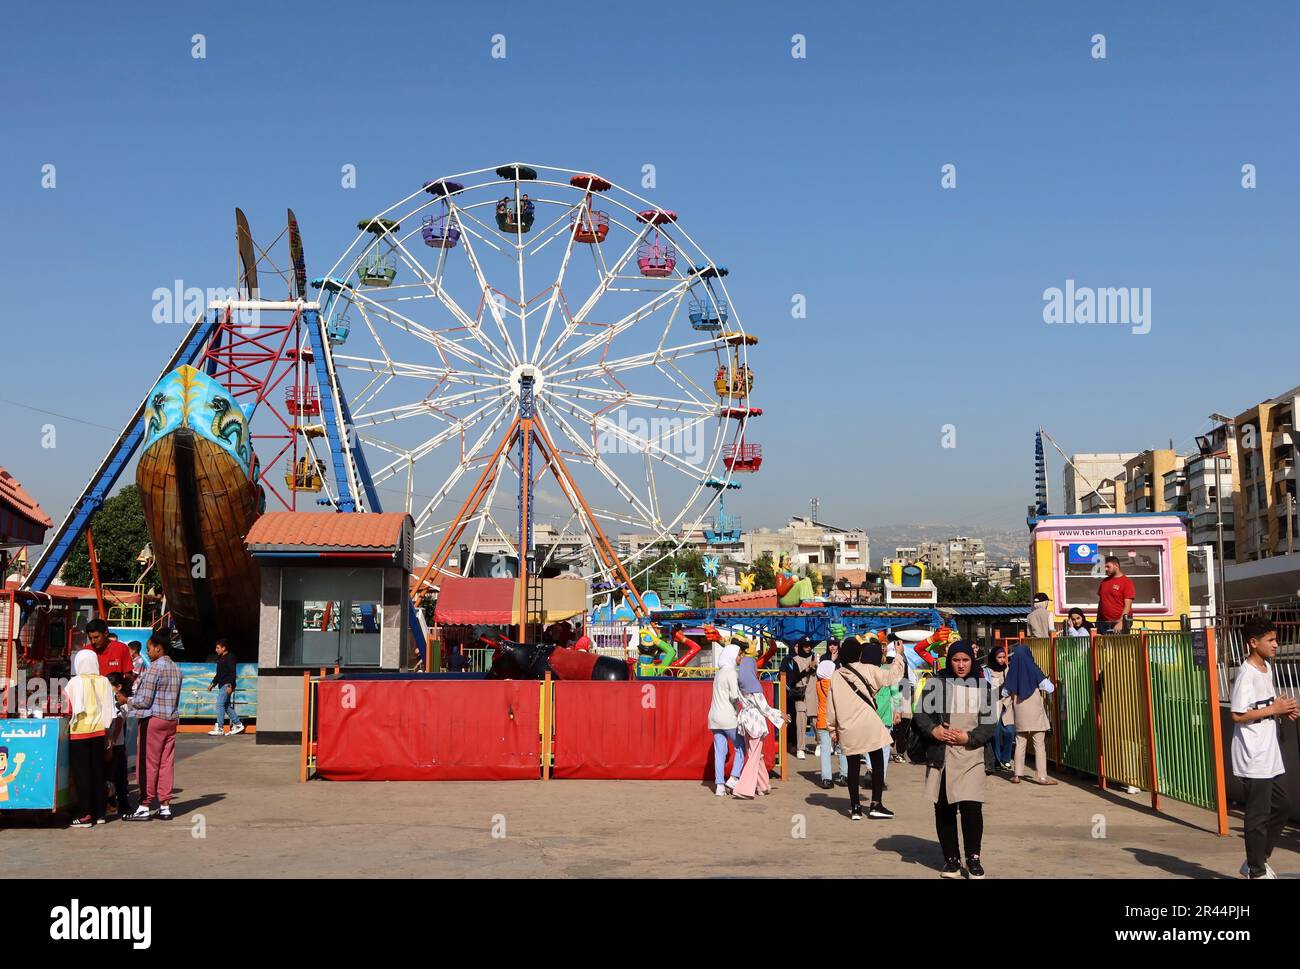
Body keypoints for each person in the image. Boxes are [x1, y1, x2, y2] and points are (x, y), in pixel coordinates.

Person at [913, 640, 996, 878]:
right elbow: (921, 714)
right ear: (949, 661)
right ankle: (951, 859)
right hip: (942, 756)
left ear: (973, 660)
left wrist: (969, 737)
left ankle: (973, 858)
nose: (960, 665)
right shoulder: (936, 684)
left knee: (971, 807)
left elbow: (989, 724)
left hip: (972, 756)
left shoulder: (984, 688)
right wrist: (935, 730)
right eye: (956, 660)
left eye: (965, 660)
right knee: (944, 808)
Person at [1230, 617, 1298, 879]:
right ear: (1253, 643)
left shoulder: (1267, 668)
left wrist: (1282, 711)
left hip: (1270, 753)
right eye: (1270, 640)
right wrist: (1274, 710)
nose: (1276, 644)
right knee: (1257, 816)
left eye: (1276, 639)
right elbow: (1237, 715)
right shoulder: (1246, 674)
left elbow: (1265, 705)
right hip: (1253, 755)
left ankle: (1256, 859)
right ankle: (1256, 871)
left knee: (1282, 805)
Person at [826, 637, 904, 820]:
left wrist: (832, 729)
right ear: (859, 654)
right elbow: (892, 676)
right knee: (877, 763)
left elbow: (831, 707)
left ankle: (855, 808)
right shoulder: (868, 669)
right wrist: (898, 655)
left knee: (853, 767)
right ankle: (876, 804)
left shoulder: (836, 676)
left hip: (847, 727)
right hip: (869, 724)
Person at [124, 632, 182, 821]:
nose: (147, 652)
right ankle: (165, 805)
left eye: (149, 648)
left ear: (158, 648)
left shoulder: (155, 668)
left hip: (153, 720)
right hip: (171, 719)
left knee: (148, 763)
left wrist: (127, 701)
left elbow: (145, 700)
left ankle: (144, 805)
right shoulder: (175, 667)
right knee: (166, 763)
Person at [64, 648, 115, 827]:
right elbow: (110, 709)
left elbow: (67, 708)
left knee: (81, 775)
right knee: (98, 772)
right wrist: (108, 732)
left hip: (79, 733)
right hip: (99, 732)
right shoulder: (104, 682)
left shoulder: (73, 683)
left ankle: (85, 814)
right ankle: (99, 813)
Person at [731, 644, 786, 799]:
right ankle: (744, 788)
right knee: (755, 756)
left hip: (745, 721)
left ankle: (762, 786)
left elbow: (737, 702)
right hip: (755, 722)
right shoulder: (754, 685)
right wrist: (781, 715)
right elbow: (764, 708)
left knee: (756, 754)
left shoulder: (740, 684)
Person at [1005, 645, 1057, 786]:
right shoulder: (1033, 669)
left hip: (1019, 712)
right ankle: (1042, 777)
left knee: (1020, 743)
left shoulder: (1012, 671)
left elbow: (1005, 692)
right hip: (1035, 712)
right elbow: (1049, 688)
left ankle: (1017, 775)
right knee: (1039, 744)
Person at [708, 642, 746, 796]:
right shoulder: (731, 672)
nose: (740, 657)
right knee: (741, 746)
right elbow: (734, 695)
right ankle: (734, 777)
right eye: (739, 654)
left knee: (719, 752)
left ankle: (719, 785)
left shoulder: (719, 672)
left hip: (714, 717)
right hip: (728, 717)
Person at [779, 638, 817, 760]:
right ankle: (801, 747)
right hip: (800, 694)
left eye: (809, 646)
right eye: (805, 646)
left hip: (813, 693)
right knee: (800, 720)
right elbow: (795, 677)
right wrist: (808, 669)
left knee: (815, 720)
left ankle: (820, 743)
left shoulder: (816, 657)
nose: (808, 648)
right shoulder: (794, 660)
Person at [814, 659, 847, 789]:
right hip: (836, 721)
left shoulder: (818, 684)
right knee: (842, 749)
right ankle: (844, 775)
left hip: (822, 720)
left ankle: (826, 779)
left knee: (825, 751)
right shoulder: (836, 684)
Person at [982, 643, 1015, 774]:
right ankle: (995, 761)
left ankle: (1006, 759)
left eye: (1004, 657)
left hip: (1007, 705)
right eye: (999, 657)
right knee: (994, 735)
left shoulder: (1007, 669)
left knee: (1009, 732)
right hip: (993, 705)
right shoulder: (987, 671)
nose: (1002, 660)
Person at [105, 673, 134, 818]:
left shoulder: (119, 701)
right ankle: (120, 804)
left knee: (116, 776)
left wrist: (112, 742)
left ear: (119, 687)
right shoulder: (111, 698)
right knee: (117, 776)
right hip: (116, 744)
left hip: (115, 744)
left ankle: (117, 804)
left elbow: (118, 722)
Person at [207, 639, 244, 736]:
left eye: (218, 648)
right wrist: (212, 684)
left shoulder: (230, 657)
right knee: (226, 706)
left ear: (224, 648)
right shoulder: (221, 659)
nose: (216, 650)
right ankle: (238, 724)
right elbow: (218, 674)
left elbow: (232, 672)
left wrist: (231, 685)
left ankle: (219, 728)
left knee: (219, 704)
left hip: (227, 684)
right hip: (222, 684)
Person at [85, 618, 134, 683]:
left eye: (96, 637)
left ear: (106, 633)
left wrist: (123, 692)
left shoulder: (121, 648)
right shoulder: (86, 651)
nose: (93, 641)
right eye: (90, 638)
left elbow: (128, 676)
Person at [1094, 555, 1135, 634]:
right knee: (1104, 646)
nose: (1106, 569)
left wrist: (1121, 622)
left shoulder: (1126, 582)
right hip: (1104, 622)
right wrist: (1098, 621)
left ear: (1116, 566)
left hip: (1120, 621)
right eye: (1105, 567)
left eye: (1108, 567)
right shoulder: (1104, 582)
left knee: (1119, 646)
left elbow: (1128, 605)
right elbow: (1101, 602)